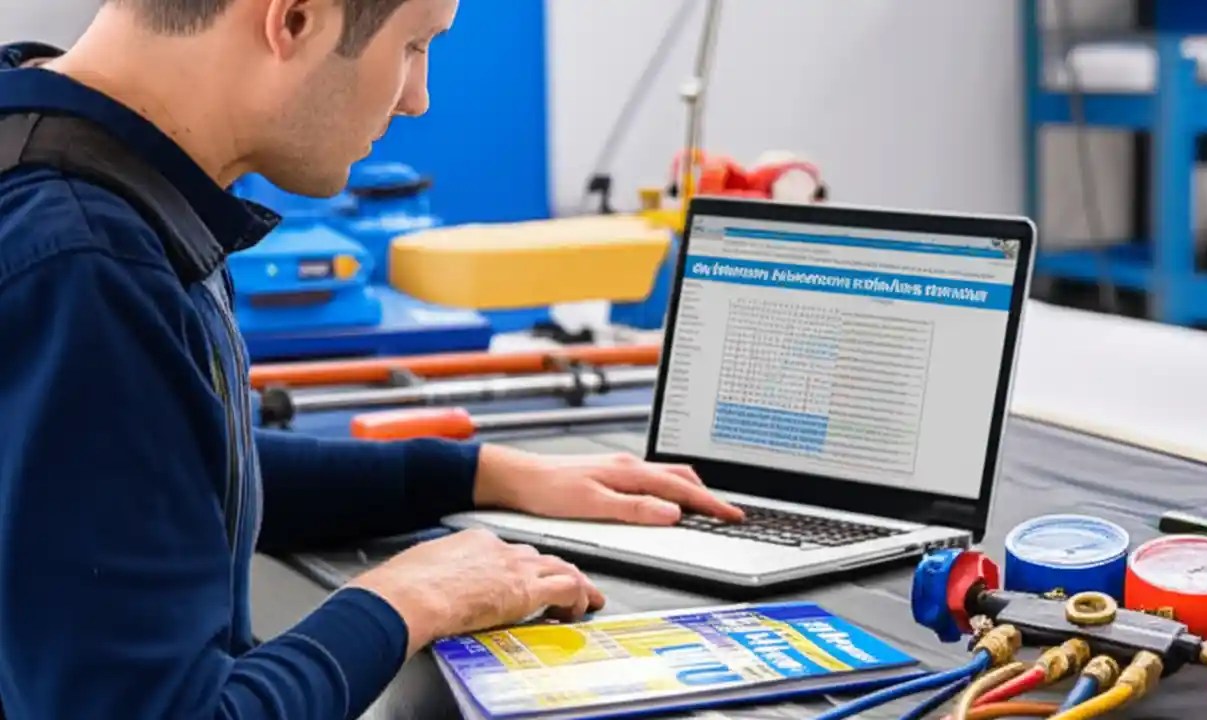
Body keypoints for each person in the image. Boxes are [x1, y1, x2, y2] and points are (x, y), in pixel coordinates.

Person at [0, 0, 744, 717]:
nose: (418, 98)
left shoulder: (68, 166)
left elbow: (161, 476)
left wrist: (480, 473)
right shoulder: (89, 265)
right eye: (416, 44)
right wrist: (407, 601)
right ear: (294, 19)